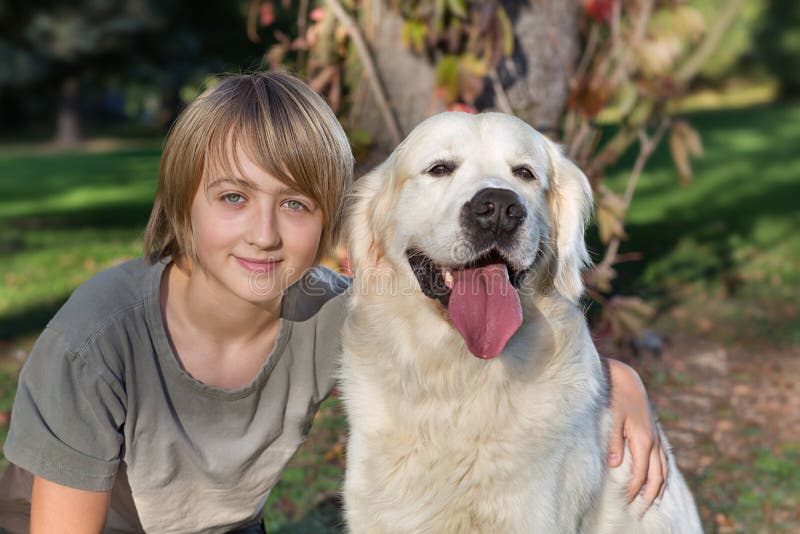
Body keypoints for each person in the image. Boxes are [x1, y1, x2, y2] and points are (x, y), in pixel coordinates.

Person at [0, 71, 667, 533]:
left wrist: (619, 379)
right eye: (232, 198)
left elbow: (496, 362)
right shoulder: (96, 344)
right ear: (180, 206)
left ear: (336, 225)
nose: (263, 233)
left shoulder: (329, 315)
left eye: (294, 204)